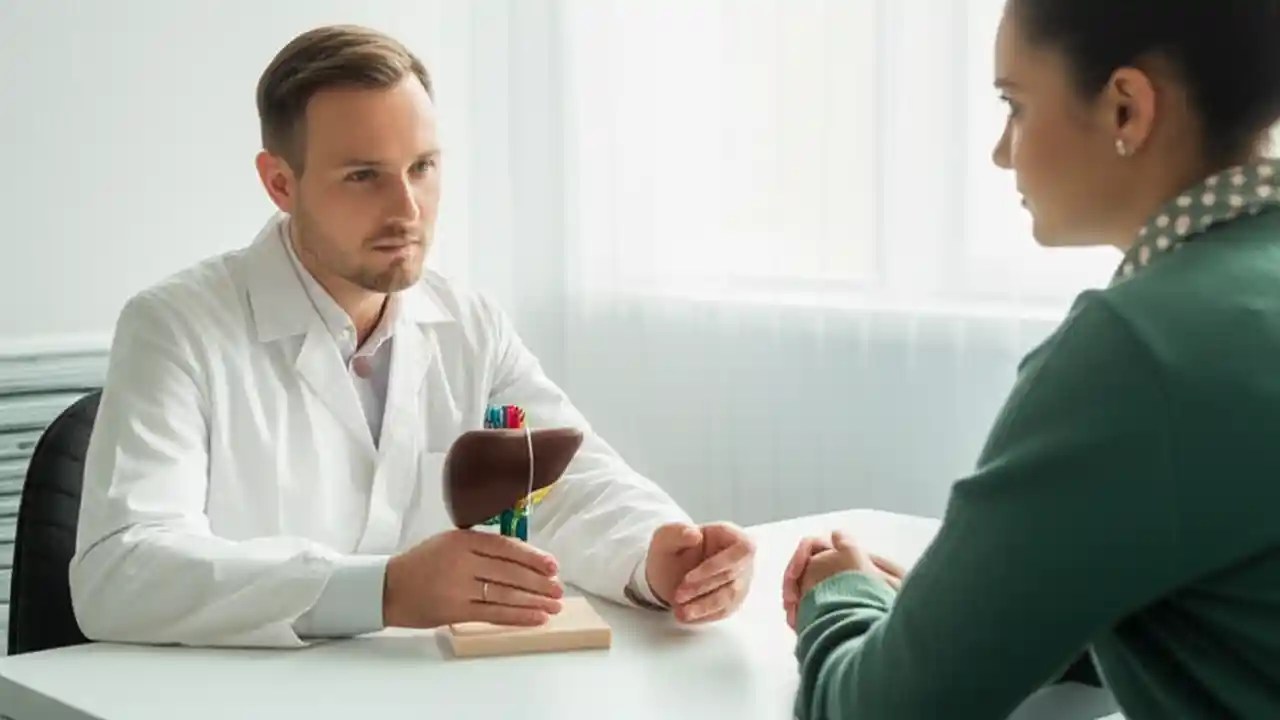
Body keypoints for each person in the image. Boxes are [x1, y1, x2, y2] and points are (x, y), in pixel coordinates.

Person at [69, 24, 754, 648]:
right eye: (364, 176)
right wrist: (385, 590)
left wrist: (660, 556)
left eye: (423, 168)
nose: (408, 210)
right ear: (280, 182)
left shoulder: (468, 325)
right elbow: (122, 569)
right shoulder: (176, 327)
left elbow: (562, 484)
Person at [780, 0, 1280, 717]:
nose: (1001, 151)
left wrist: (838, 595)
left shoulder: (1137, 352)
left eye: (1014, 104)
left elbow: (874, 711)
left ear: (1125, 110)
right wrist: (981, 616)